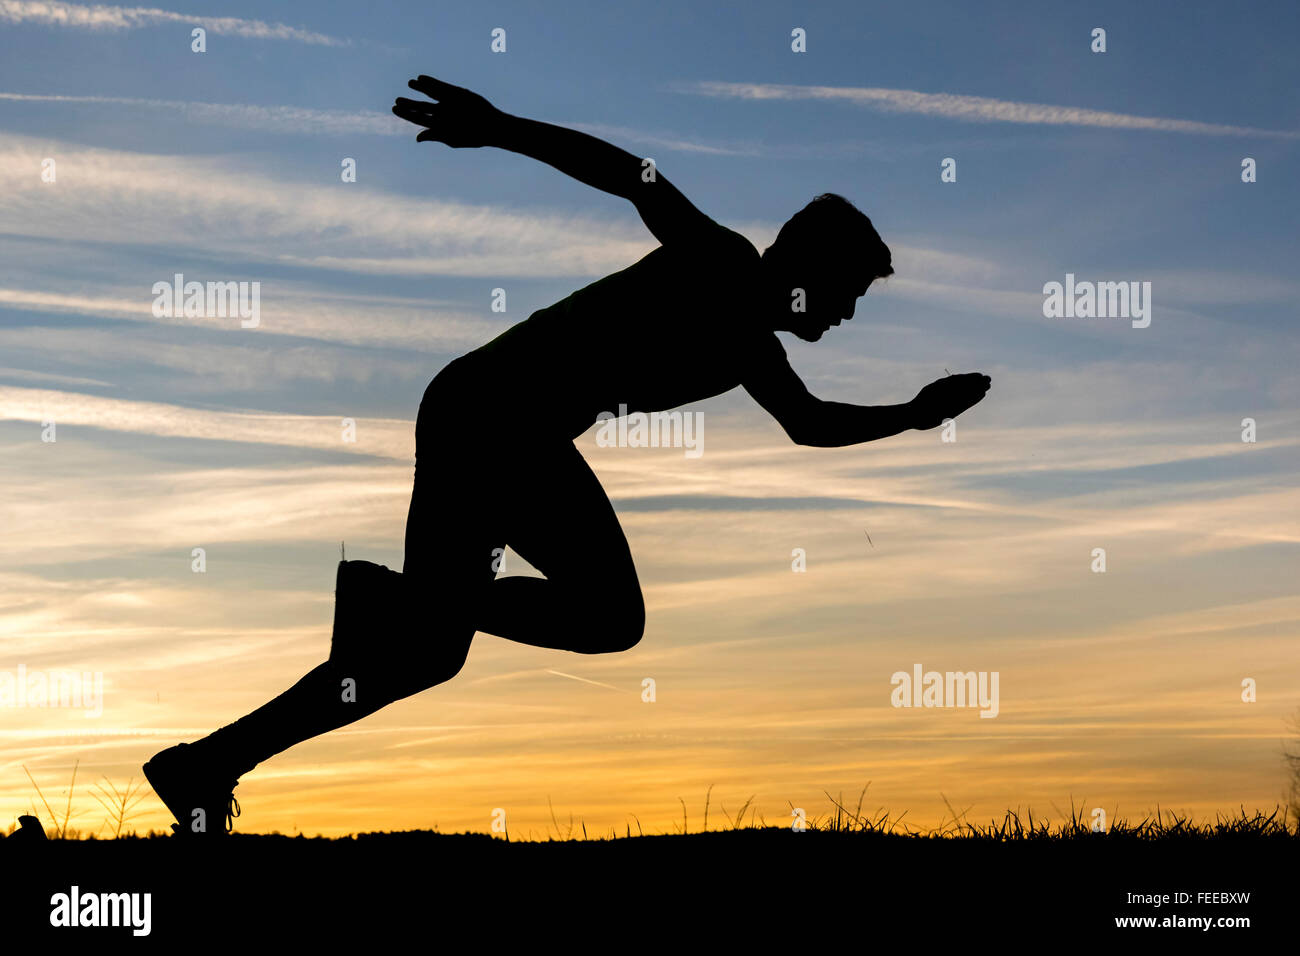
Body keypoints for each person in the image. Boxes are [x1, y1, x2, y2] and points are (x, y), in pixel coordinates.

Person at [143, 76, 991, 837]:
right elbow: (635, 177)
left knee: (424, 653)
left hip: (482, 414)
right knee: (606, 618)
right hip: (499, 417)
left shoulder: (752, 351)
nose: (846, 314)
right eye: (849, 292)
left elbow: (809, 425)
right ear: (810, 264)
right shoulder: (720, 261)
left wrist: (915, 415)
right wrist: (502, 127)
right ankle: (397, 600)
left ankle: (206, 766)